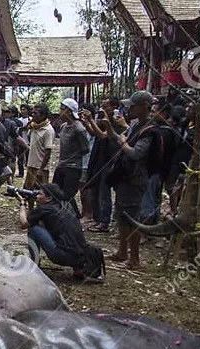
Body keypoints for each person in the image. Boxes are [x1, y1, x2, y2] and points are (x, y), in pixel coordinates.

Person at [110, 90, 157, 269]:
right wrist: (109, 129)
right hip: (124, 178)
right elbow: (122, 140)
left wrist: (123, 143)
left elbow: (135, 153)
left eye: (133, 105)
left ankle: (134, 259)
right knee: (122, 215)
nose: (129, 108)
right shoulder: (136, 125)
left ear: (144, 107)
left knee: (132, 218)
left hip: (135, 180)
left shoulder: (149, 130)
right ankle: (122, 252)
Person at [17, 182, 102, 280]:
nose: (36, 196)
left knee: (33, 228)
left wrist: (22, 204)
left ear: (49, 199)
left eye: (40, 194)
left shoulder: (45, 209)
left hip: (61, 256)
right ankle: (79, 268)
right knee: (65, 232)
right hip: (80, 256)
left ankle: (34, 264)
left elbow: (24, 223)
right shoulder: (66, 205)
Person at [79, 97, 120, 233]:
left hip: (108, 160)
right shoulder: (103, 119)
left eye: (106, 106)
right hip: (98, 158)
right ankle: (98, 219)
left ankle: (104, 221)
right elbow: (94, 133)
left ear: (114, 106)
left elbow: (103, 136)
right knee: (95, 189)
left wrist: (91, 120)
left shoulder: (116, 120)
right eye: (102, 106)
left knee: (104, 192)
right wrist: (86, 123)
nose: (103, 109)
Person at [54, 98, 90, 218]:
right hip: (61, 165)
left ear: (69, 111)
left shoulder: (79, 129)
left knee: (68, 195)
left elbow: (85, 149)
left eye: (62, 109)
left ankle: (74, 217)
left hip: (73, 167)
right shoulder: (64, 126)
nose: (59, 111)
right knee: (55, 191)